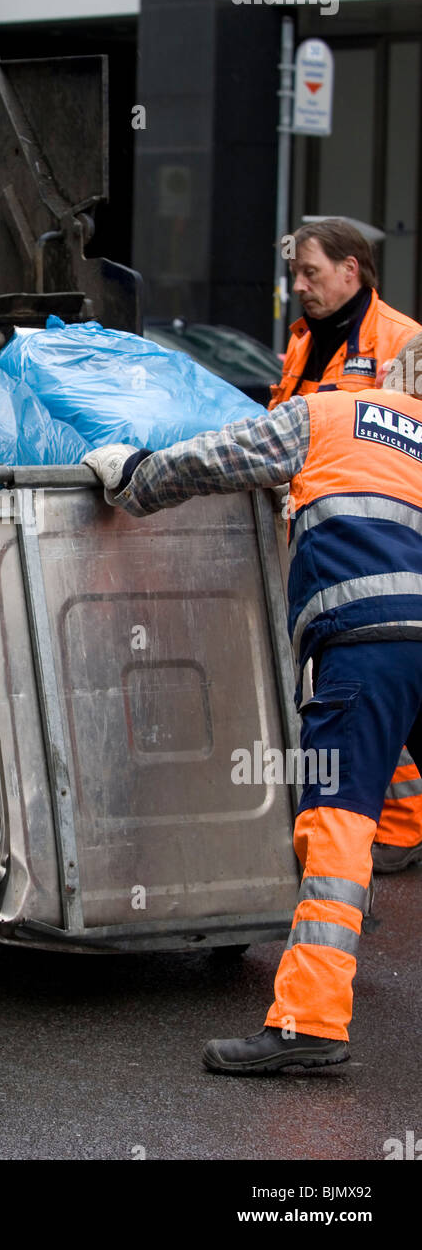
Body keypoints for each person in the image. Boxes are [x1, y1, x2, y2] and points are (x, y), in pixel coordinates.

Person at [83, 333, 422, 1074]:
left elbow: (216, 458)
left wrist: (134, 478)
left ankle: (307, 1023)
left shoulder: (329, 415)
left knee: (335, 824)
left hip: (365, 642)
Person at [272, 218, 422, 874]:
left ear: (349, 271)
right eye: (295, 274)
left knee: (372, 685)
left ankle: (398, 825)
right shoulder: (303, 341)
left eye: (310, 272)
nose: (299, 285)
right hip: (316, 541)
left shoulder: (402, 341)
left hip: (382, 547)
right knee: (348, 688)